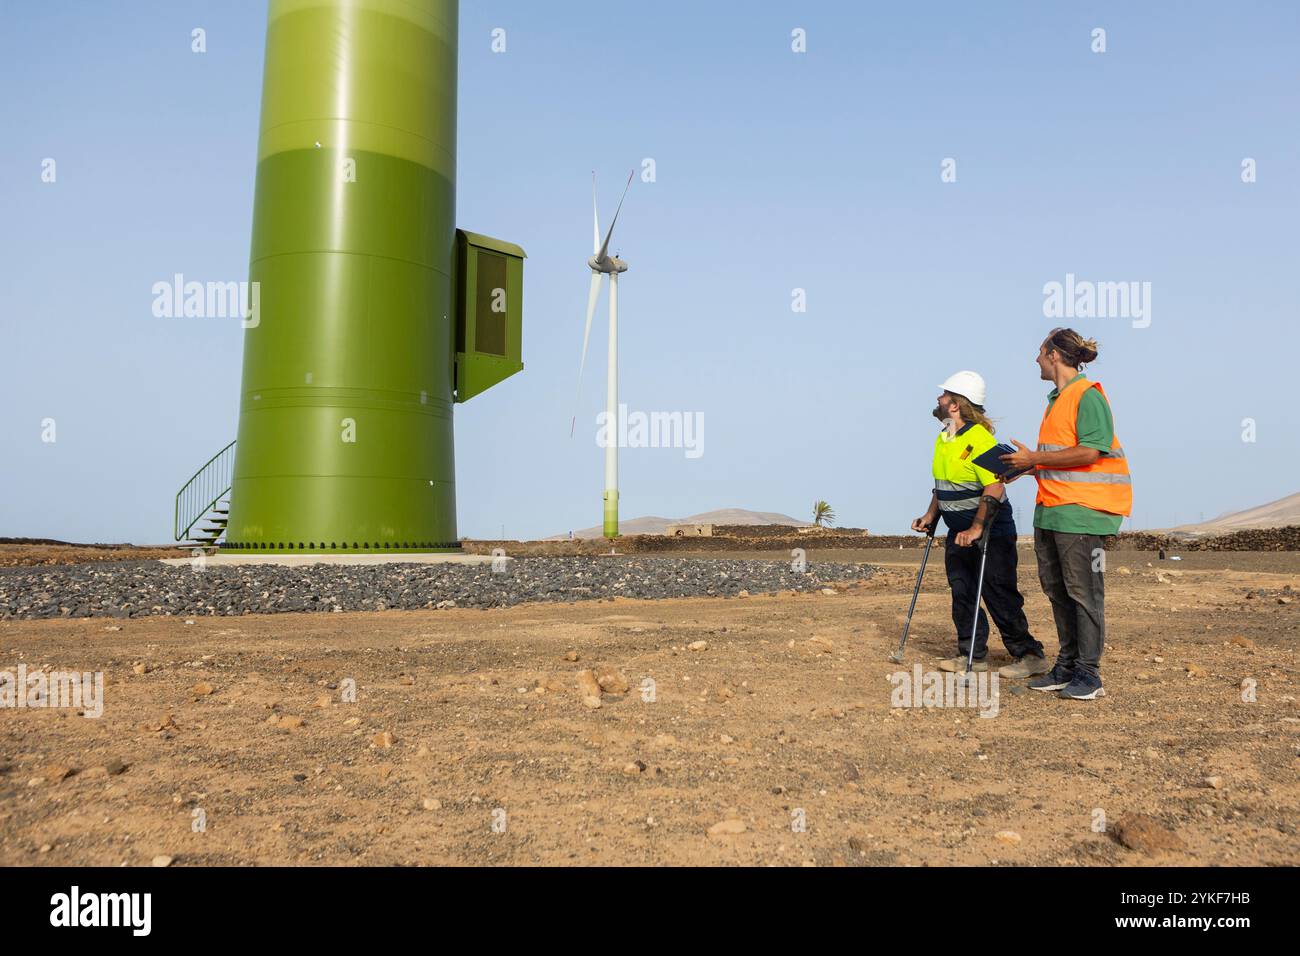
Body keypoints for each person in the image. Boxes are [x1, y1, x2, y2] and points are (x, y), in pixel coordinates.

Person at [1000, 328, 1132, 701]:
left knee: (1084, 594)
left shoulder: (1087, 396)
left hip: (1083, 515)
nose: (1036, 360)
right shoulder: (1056, 400)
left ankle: (1089, 675)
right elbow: (1061, 460)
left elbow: (1091, 452)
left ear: (1054, 355)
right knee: (1058, 591)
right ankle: (1068, 665)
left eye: (1039, 353)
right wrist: (1024, 466)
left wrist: (1035, 458)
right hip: (1053, 511)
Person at [912, 371, 1047, 676]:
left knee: (998, 592)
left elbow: (996, 486)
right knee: (962, 590)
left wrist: (976, 528)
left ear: (956, 405)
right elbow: (942, 484)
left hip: (991, 532)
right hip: (957, 532)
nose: (938, 398)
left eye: (944, 394)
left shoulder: (980, 439)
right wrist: (931, 515)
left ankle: (1029, 654)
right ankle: (971, 653)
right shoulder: (944, 437)